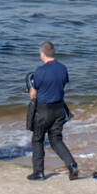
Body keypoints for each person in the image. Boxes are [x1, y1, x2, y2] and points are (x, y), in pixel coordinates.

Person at [28, 42, 78, 181]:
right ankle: (72, 165)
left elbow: (33, 94)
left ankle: (38, 172)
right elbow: (62, 84)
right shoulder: (63, 68)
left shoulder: (40, 71)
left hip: (43, 110)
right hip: (59, 109)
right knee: (56, 139)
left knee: (37, 139)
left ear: (42, 54)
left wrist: (30, 88)